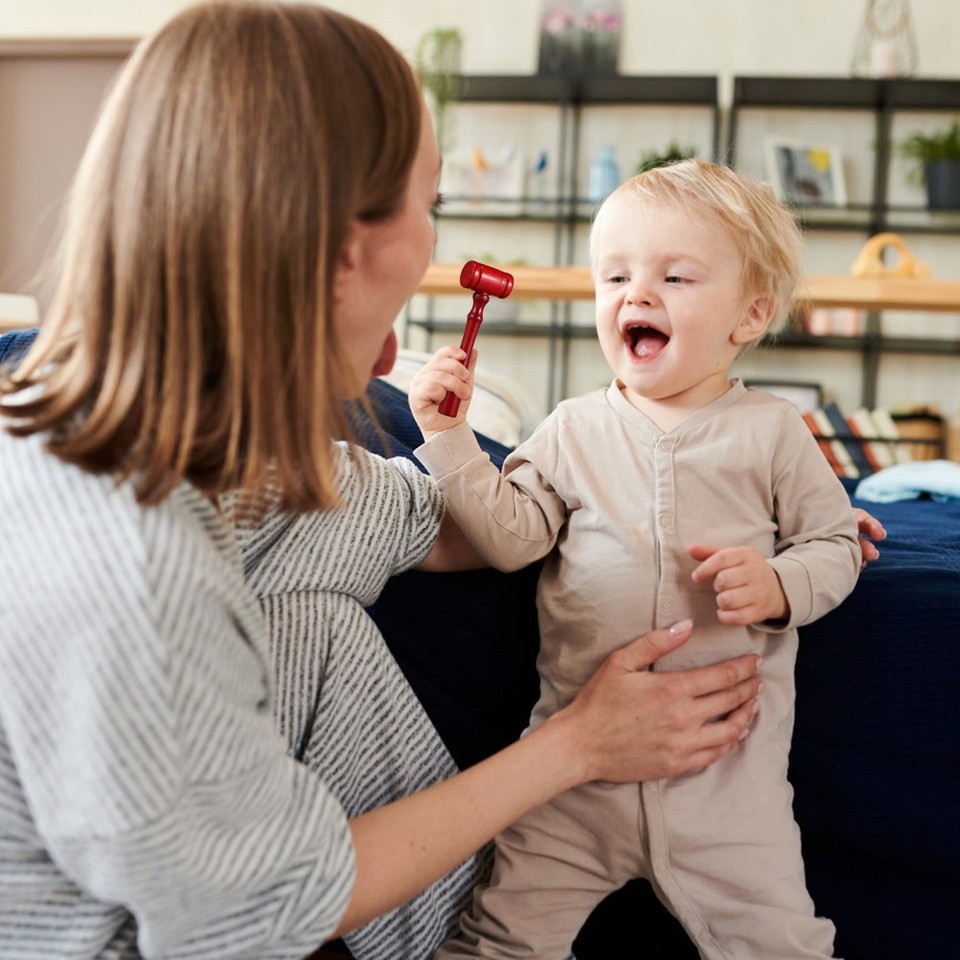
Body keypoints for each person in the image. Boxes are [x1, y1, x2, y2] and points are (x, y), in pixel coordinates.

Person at [0, 5, 768, 959]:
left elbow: (414, 515)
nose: (433, 246)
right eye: (430, 200)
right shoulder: (126, 563)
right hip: (217, 925)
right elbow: (262, 913)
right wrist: (580, 744)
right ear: (343, 252)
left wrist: (715, 484)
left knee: (315, 624)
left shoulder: (216, 450)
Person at [410, 159, 864, 959]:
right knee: (498, 941)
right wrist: (448, 440)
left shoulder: (773, 432)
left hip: (727, 788)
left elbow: (834, 544)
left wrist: (781, 584)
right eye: (614, 275)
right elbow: (513, 537)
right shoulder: (571, 428)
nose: (637, 295)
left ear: (749, 315)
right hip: (570, 781)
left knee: (783, 944)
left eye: (676, 277)